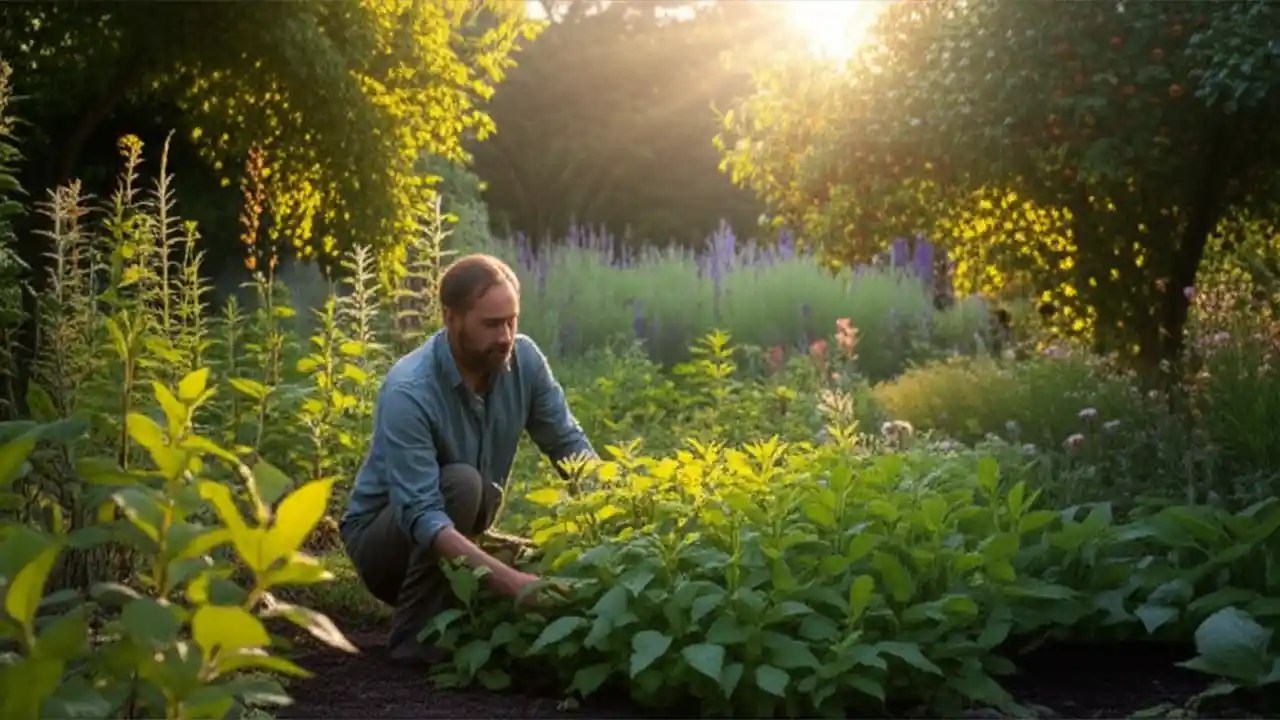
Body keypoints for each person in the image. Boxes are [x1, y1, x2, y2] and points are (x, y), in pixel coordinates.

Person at [339, 253, 596, 665]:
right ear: (451, 317)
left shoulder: (523, 362)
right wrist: (512, 584)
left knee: (556, 567)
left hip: (464, 527)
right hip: (385, 544)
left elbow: (569, 445)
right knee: (462, 483)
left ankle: (465, 611)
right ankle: (415, 640)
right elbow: (422, 516)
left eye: (512, 320)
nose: (505, 335)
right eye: (491, 324)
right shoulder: (409, 390)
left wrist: (618, 512)